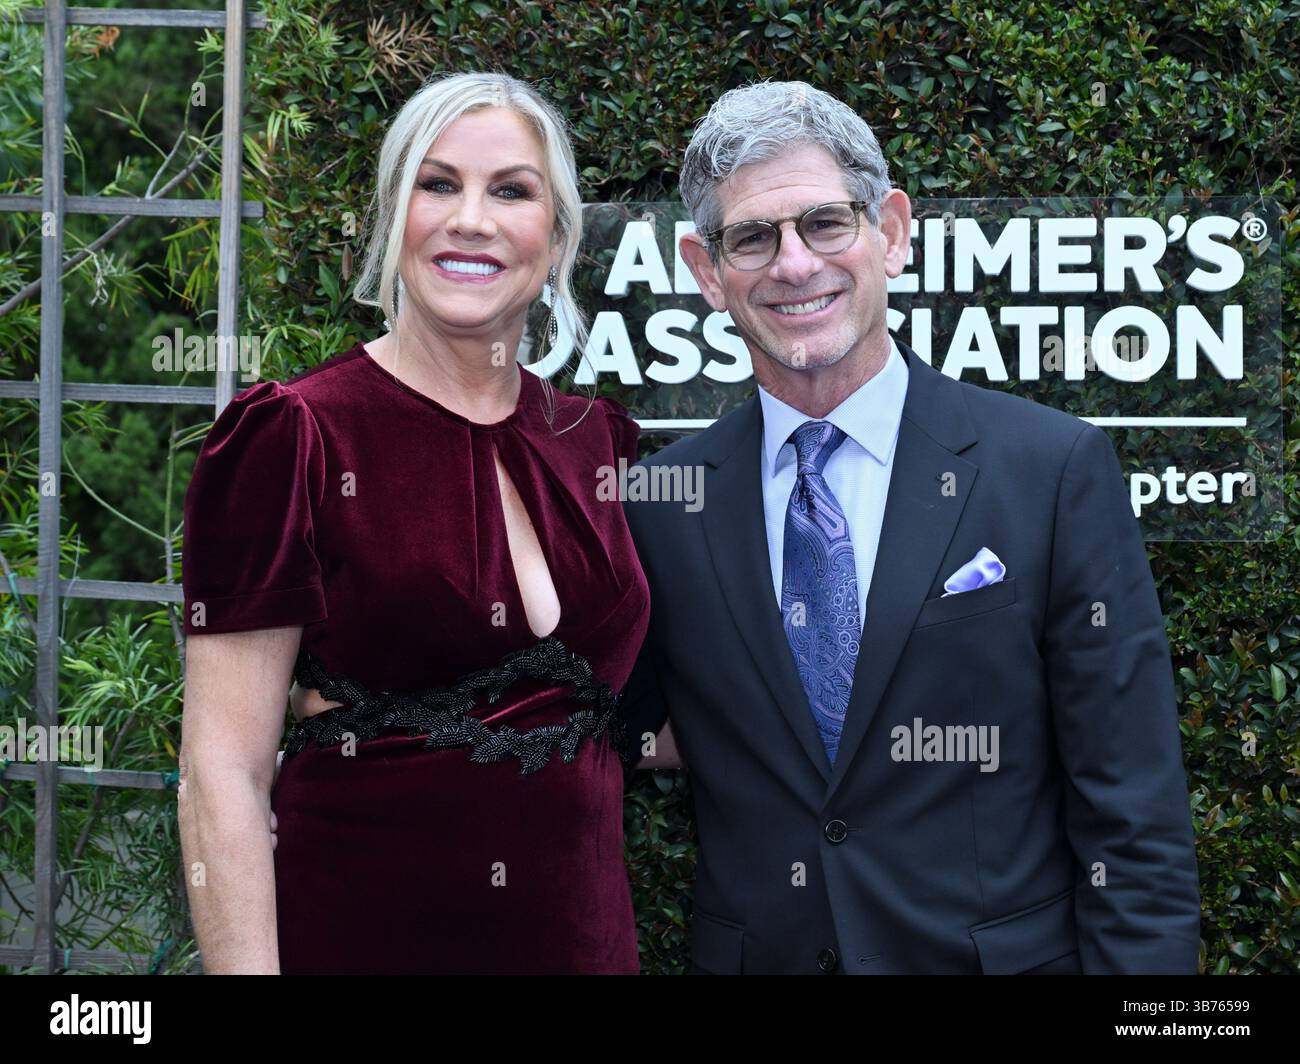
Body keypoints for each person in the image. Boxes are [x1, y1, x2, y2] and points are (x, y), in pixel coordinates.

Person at [621, 81, 1201, 974]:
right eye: (753, 237)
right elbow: (601, 727)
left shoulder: (1050, 469)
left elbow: (1132, 805)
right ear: (708, 271)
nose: (794, 265)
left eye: (825, 223)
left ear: (890, 232)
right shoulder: (664, 502)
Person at [177, 72, 649, 974]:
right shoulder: (294, 435)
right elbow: (221, 773)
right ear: (394, 217)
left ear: (556, 237)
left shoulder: (595, 442)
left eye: (510, 191)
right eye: (438, 184)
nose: (470, 219)